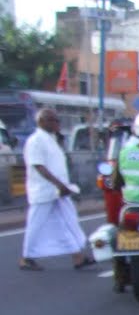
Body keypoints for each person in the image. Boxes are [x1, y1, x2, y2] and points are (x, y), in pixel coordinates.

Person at [19, 106, 93, 271]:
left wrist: (63, 186)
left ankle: (78, 257)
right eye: (52, 120)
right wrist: (58, 184)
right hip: (43, 191)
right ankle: (26, 257)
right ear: (41, 121)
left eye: (57, 120)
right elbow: (38, 166)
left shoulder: (51, 139)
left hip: (59, 191)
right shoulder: (35, 140)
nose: (56, 123)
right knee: (36, 225)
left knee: (68, 222)